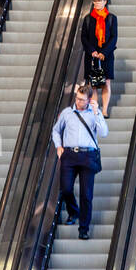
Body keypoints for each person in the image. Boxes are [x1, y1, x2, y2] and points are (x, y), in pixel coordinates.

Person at [51, 83, 108, 239]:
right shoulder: (67, 113)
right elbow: (56, 130)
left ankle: (84, 229)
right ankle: (73, 212)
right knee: (66, 189)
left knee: (86, 194)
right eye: (77, 98)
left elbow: (103, 133)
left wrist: (97, 113)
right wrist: (58, 146)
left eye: (82, 100)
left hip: (88, 156)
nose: (79, 102)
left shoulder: (94, 113)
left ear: (90, 100)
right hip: (69, 155)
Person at [79, 0, 118, 116]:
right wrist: (93, 51)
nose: (97, 3)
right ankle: (95, 110)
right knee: (93, 85)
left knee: (106, 82)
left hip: (106, 56)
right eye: (95, 1)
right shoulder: (88, 19)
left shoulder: (112, 18)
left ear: (105, 2)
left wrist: (104, 53)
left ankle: (105, 110)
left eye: (99, 0)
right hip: (92, 56)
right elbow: (83, 37)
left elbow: (114, 37)